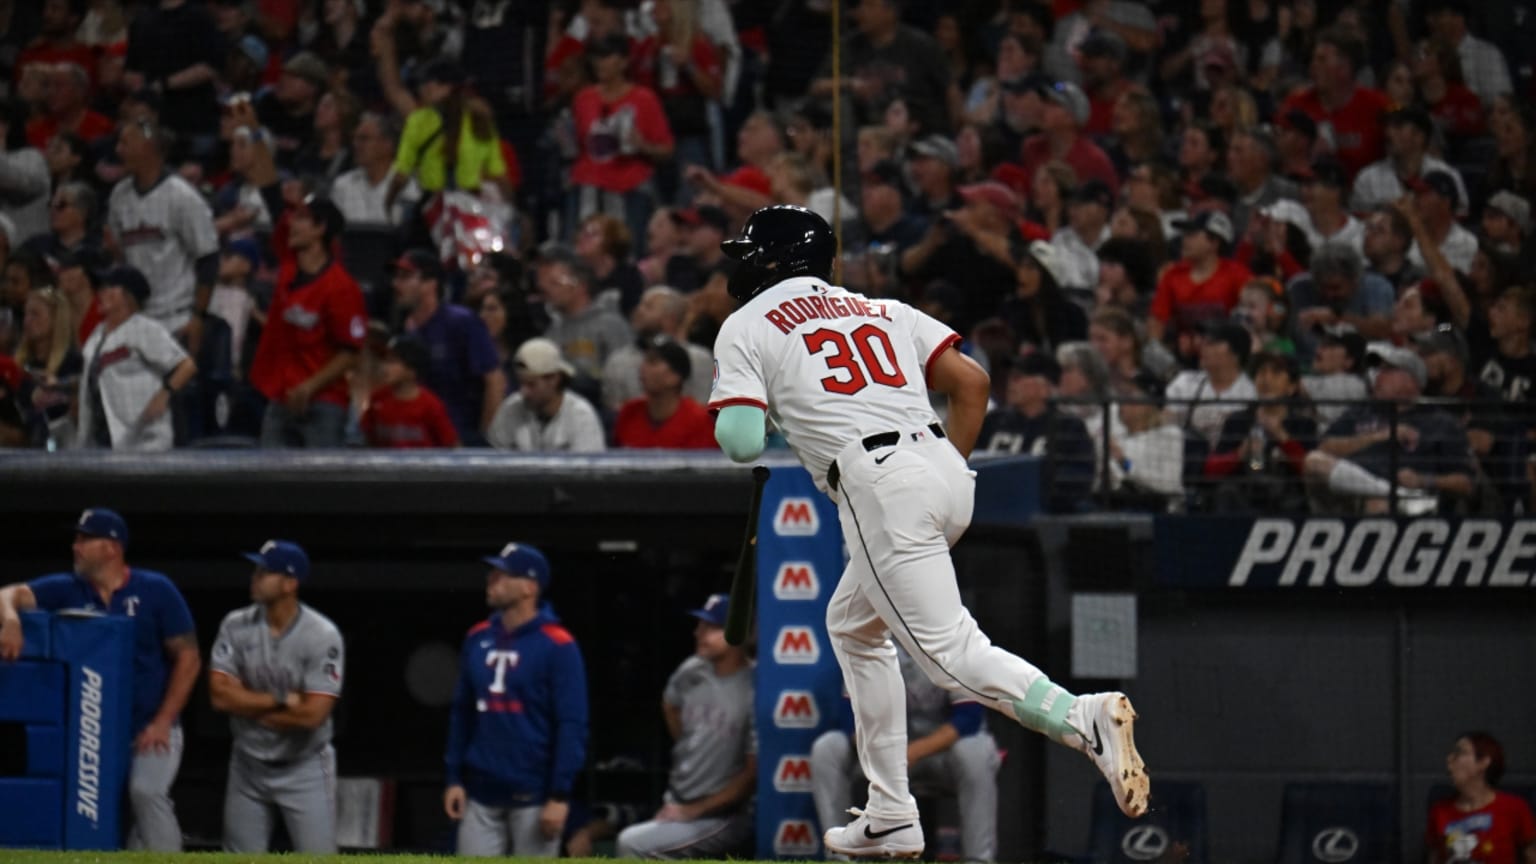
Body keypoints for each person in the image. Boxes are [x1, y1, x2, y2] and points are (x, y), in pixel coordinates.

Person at [709, 205, 1149, 859]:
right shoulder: (882, 308)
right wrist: (938, 471)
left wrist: (772, 410)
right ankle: (890, 811)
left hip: (879, 481)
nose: (743, 263)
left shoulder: (747, 323)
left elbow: (741, 442)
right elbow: (972, 383)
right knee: (852, 627)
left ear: (774, 259)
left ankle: (1080, 717)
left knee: (950, 655)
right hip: (942, 467)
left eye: (751, 252)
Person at [0, 507, 200, 852]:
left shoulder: (156, 590)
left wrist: (163, 721)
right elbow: (8, 593)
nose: (75, 547)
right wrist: (11, 620)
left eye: (84, 540)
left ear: (112, 547)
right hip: (94, 732)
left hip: (150, 727)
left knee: (146, 792)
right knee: (102, 815)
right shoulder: (69, 588)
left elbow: (189, 657)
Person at [444, 542, 588, 858]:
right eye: (492, 573)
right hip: (480, 790)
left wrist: (560, 795)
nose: (492, 580)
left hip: (534, 794)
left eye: (503, 575)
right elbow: (462, 712)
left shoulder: (558, 644)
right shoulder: (477, 636)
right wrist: (454, 777)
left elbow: (572, 724)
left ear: (529, 587)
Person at [209, 540, 345, 853]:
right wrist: (281, 700)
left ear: (290, 583)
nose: (254, 578)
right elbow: (219, 696)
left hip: (305, 766)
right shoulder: (235, 624)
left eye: (264, 572)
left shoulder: (322, 635)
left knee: (318, 859)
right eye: (256, 570)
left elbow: (312, 715)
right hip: (247, 764)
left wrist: (246, 705)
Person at [812, 642, 999, 862]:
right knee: (828, 747)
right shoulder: (866, 638)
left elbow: (968, 718)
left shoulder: (955, 642)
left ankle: (978, 859)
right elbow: (850, 717)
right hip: (881, 755)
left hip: (941, 755)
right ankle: (839, 857)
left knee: (974, 751)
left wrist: (911, 752)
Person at [615, 594, 756, 859]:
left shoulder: (754, 686)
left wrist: (693, 811)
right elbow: (670, 704)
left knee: (630, 843)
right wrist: (689, 746)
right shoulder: (692, 669)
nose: (698, 633)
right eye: (700, 625)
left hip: (725, 815)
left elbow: (750, 776)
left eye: (712, 627)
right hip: (679, 803)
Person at [247, 192, 365, 449]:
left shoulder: (341, 287)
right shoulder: (289, 267)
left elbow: (351, 353)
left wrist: (309, 387)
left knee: (321, 476)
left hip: (323, 402)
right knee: (269, 473)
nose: (292, 224)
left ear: (320, 228)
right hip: (282, 396)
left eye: (302, 219)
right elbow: (271, 194)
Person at [1303, 346, 1474, 515]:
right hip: (1353, 493)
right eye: (1378, 370)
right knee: (1314, 461)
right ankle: (1398, 496)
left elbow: (1466, 484)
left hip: (1412, 500)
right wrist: (1379, 436)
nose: (1378, 376)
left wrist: (1422, 480)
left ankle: (1398, 498)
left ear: (1411, 381)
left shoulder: (1440, 422)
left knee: (1378, 505)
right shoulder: (1361, 411)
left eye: (1387, 370)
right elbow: (1325, 448)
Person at [107, 117, 219, 351]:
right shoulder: (119, 195)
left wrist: (198, 316)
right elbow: (120, 258)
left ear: (147, 148)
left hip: (175, 318)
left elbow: (208, 258)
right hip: (135, 317)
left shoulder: (181, 195)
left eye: (125, 143)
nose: (118, 150)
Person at [76, 267, 197, 451]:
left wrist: (164, 394)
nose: (101, 293)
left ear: (127, 296)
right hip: (103, 439)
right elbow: (95, 378)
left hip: (145, 442)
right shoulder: (97, 334)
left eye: (109, 288)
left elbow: (186, 365)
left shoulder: (143, 328)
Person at [392, 249, 506, 444]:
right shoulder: (402, 328)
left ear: (430, 284)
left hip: (461, 435)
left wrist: (485, 437)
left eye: (406, 277)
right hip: (416, 439)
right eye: (397, 277)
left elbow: (495, 380)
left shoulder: (460, 322)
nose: (396, 284)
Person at [1204, 352, 1319, 514]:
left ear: (1291, 387)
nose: (1266, 379)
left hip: (1286, 497)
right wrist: (1240, 454)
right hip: (1244, 495)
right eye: (1262, 372)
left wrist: (1283, 438)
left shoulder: (1304, 424)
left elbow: (1312, 472)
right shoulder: (1239, 420)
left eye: (1276, 373)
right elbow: (1211, 470)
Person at [1426, 732, 1536, 864]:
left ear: (1483, 762)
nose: (1449, 759)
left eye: (1459, 753)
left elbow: (1531, 856)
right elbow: (1434, 858)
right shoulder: (1439, 811)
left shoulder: (1514, 808)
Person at [601, 286, 714, 412]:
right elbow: (614, 410)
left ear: (670, 320)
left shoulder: (698, 359)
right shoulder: (618, 361)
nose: (639, 310)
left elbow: (704, 408)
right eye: (640, 304)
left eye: (648, 307)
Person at [487, 338, 606, 452]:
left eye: (531, 385)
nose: (523, 392)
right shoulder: (511, 408)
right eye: (521, 383)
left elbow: (588, 465)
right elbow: (492, 460)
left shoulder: (581, 415)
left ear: (553, 379)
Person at [614, 335, 716, 449]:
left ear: (675, 376)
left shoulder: (699, 421)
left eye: (652, 362)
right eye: (644, 361)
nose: (642, 368)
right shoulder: (628, 413)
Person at [360, 335, 459, 449]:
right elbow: (367, 439)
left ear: (412, 370)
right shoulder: (377, 398)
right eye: (385, 361)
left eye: (392, 362)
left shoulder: (430, 405)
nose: (384, 367)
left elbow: (452, 446)